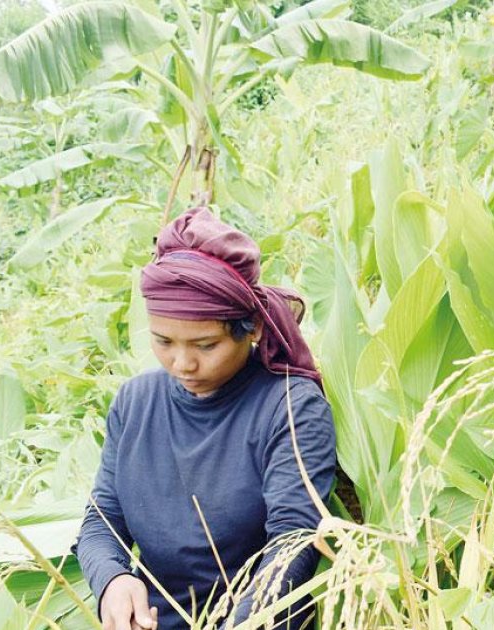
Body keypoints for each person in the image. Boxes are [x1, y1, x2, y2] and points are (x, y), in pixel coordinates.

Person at [73, 207, 337, 629]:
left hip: (257, 619)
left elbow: (294, 541)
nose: (182, 363)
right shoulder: (135, 402)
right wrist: (113, 578)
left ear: (252, 329)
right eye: (163, 341)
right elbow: (101, 519)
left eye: (205, 345)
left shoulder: (289, 405)